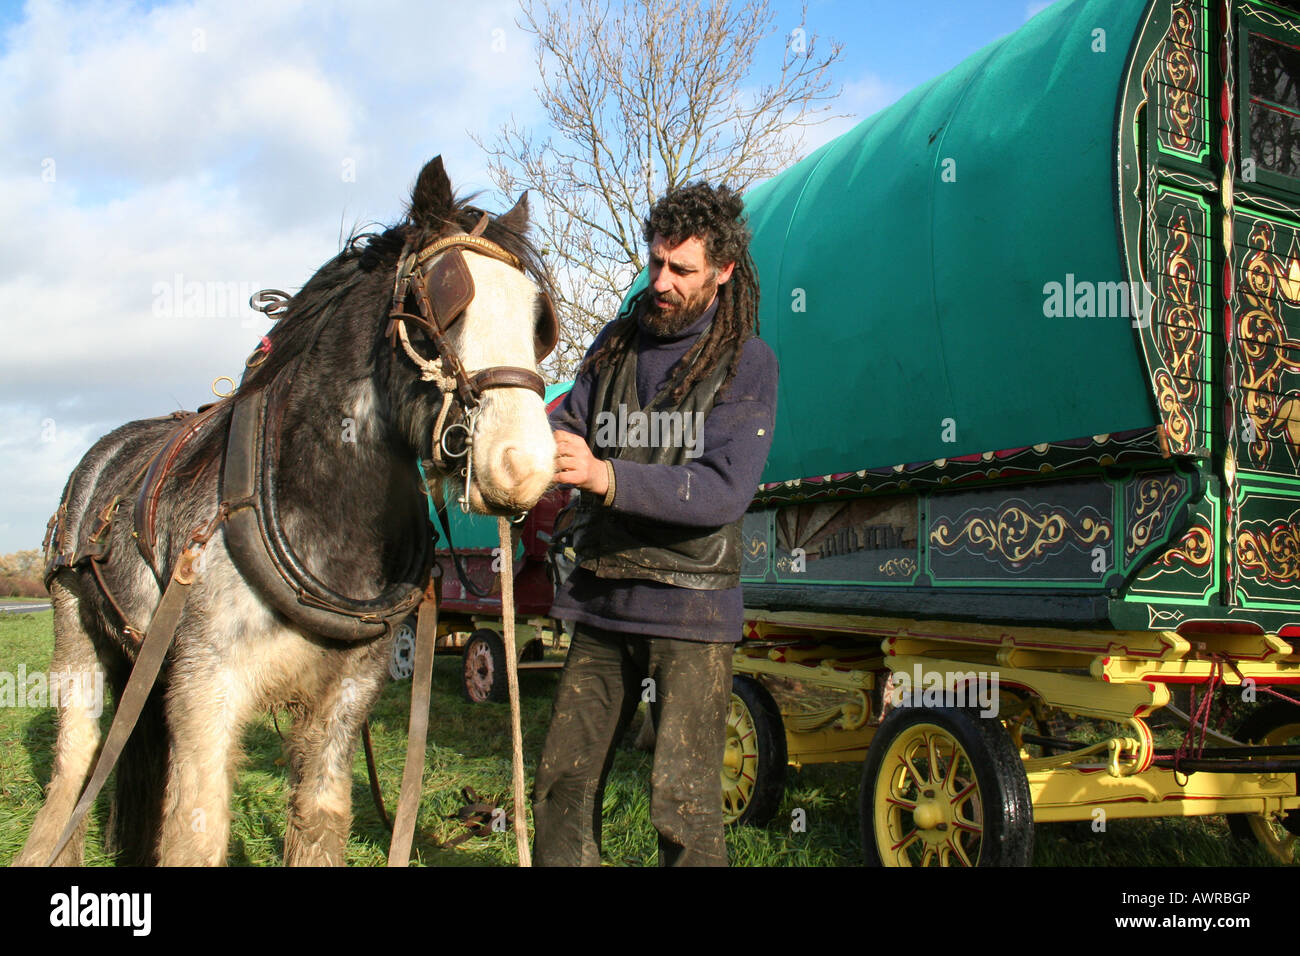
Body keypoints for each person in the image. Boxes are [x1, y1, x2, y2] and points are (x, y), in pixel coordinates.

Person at [532, 182, 778, 866]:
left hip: (691, 610)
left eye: (682, 270)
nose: (661, 282)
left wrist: (605, 477)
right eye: (656, 263)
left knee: (684, 805)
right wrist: (520, 449)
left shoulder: (748, 363)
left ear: (723, 272)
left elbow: (723, 491)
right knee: (561, 788)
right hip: (602, 596)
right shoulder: (615, 343)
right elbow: (566, 426)